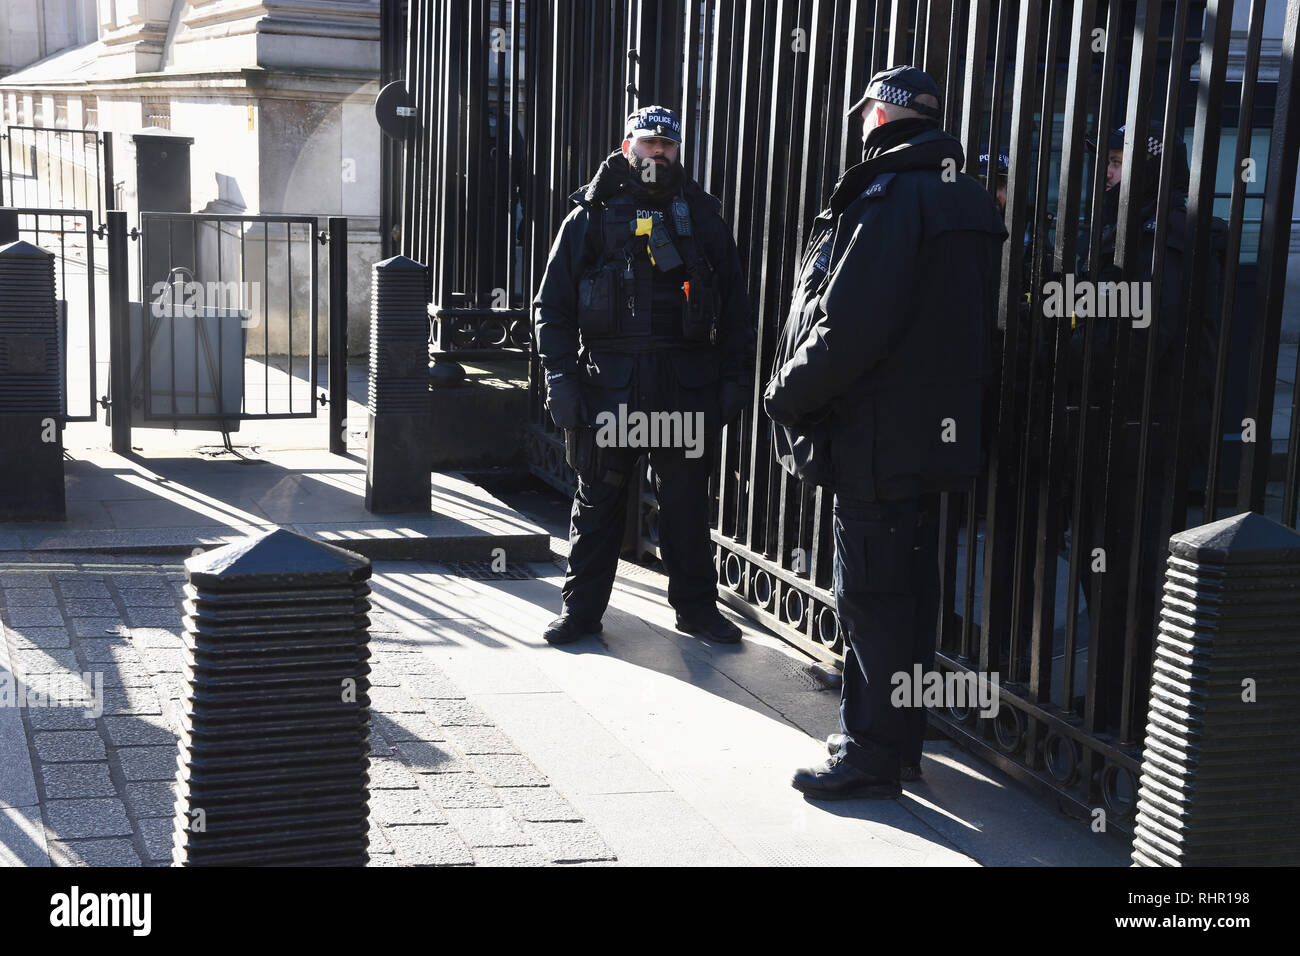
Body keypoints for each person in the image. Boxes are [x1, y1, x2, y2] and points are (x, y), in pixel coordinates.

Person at [764, 66, 1007, 799]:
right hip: (936, 431)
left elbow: (850, 323)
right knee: (911, 587)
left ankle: (871, 750)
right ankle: (899, 741)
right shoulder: (965, 196)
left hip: (874, 430)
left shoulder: (887, 195)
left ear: (881, 116)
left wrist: (787, 394)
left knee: (869, 593)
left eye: (867, 111)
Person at [533, 105, 756, 646]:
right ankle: (581, 613)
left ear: (678, 150)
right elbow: (552, 306)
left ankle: (697, 610)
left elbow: (737, 312)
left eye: (667, 145)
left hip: (682, 387)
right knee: (599, 500)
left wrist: (733, 384)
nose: (658, 153)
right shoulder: (590, 214)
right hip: (610, 387)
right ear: (627, 144)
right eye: (648, 143)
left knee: (685, 504)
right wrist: (560, 380)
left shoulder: (702, 217)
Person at [1067, 121, 1227, 728]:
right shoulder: (1129, 227)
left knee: (1128, 571)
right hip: (1129, 426)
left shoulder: (1168, 232)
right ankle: (1116, 696)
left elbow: (1141, 336)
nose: (1104, 175)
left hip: (1145, 428)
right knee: (1105, 565)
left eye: (1115, 163)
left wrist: (1074, 353)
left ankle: (1128, 706)